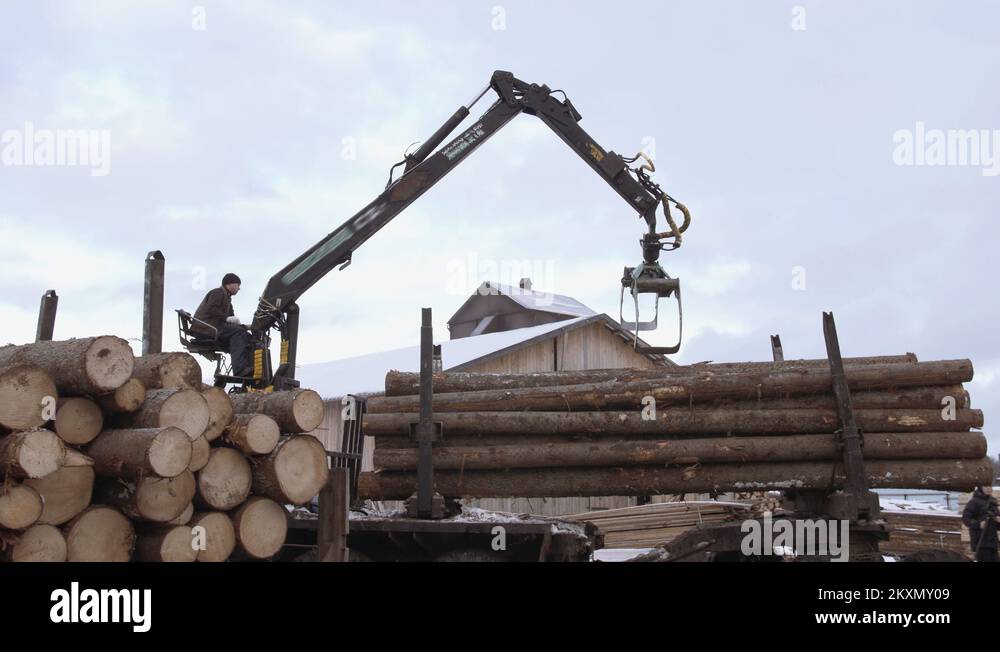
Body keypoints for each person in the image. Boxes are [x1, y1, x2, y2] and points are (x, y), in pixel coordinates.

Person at [192, 273, 252, 377]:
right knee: (239, 334)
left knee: (246, 335)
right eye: (238, 285)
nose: (239, 288)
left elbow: (232, 321)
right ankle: (240, 370)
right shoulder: (218, 292)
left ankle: (248, 370)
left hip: (214, 327)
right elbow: (211, 309)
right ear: (231, 284)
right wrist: (226, 318)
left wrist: (245, 327)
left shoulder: (227, 298)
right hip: (205, 328)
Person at [962, 485, 1000, 562]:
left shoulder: (993, 502)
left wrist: (998, 521)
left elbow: (997, 526)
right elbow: (966, 519)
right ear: (980, 488)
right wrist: (978, 524)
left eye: (990, 487)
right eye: (986, 487)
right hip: (980, 542)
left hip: (992, 543)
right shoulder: (974, 502)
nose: (989, 489)